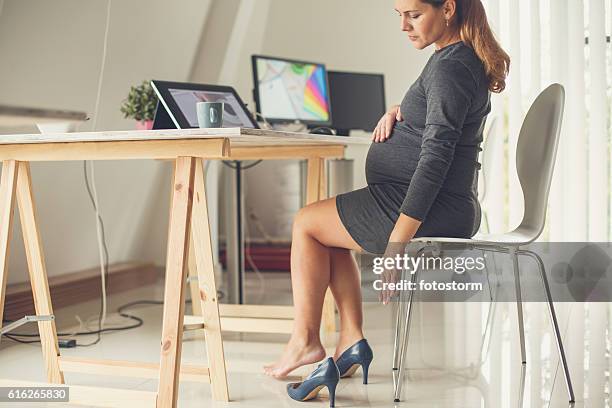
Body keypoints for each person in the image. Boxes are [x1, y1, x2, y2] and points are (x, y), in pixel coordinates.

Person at [264, 0, 510, 385]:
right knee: (327, 233)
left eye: (413, 15)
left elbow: (435, 159)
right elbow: (442, 116)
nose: (404, 26)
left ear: (447, 9)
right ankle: (350, 339)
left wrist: (398, 243)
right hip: (433, 199)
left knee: (306, 223)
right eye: (399, 16)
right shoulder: (453, 58)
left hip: (431, 205)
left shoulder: (452, 66)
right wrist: (402, 109)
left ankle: (306, 339)